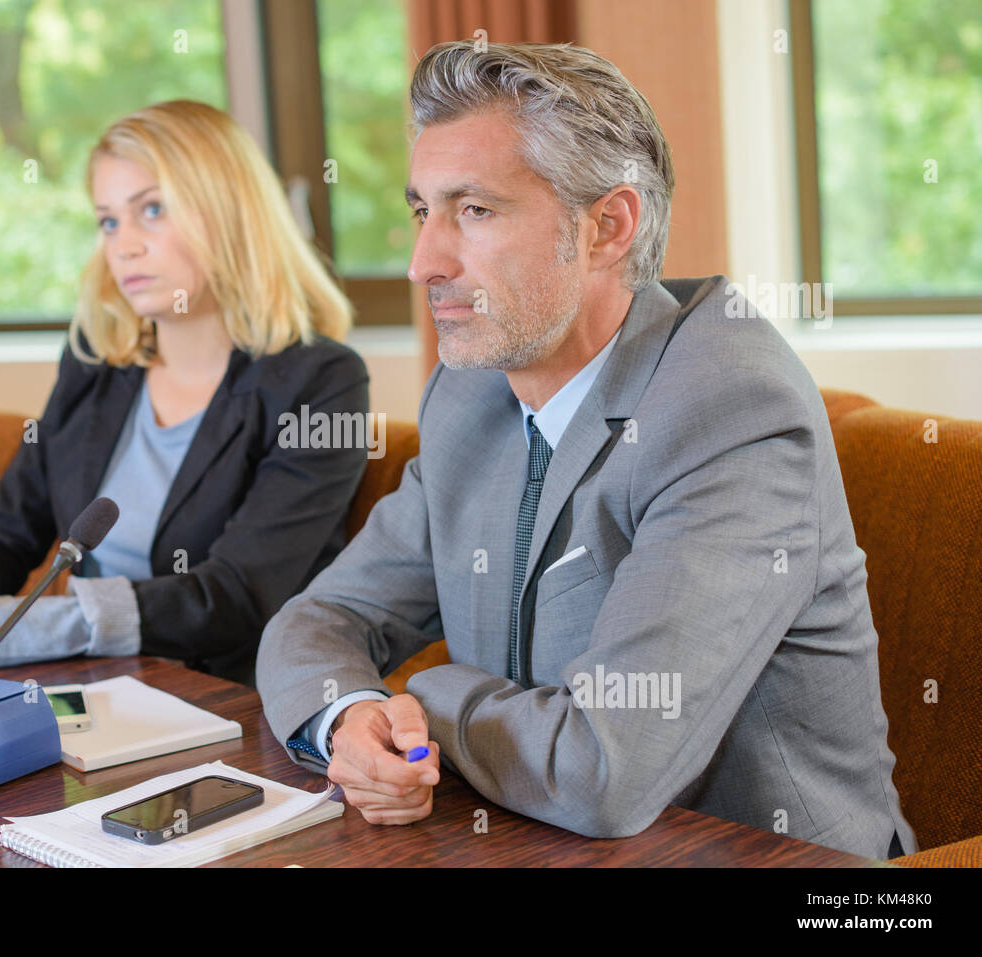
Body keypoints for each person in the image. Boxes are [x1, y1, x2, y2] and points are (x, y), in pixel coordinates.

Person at [256, 41, 917, 859]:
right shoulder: (471, 395)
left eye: (476, 210)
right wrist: (349, 718)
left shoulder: (730, 407)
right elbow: (319, 618)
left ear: (608, 226)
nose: (425, 260)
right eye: (424, 210)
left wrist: (415, 700)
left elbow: (603, 767)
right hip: (528, 842)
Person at [0, 100, 370, 687]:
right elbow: (12, 527)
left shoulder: (324, 383)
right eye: (108, 221)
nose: (123, 246)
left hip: (232, 704)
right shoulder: (94, 361)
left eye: (151, 210)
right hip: (97, 684)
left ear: (230, 213)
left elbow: (236, 597)